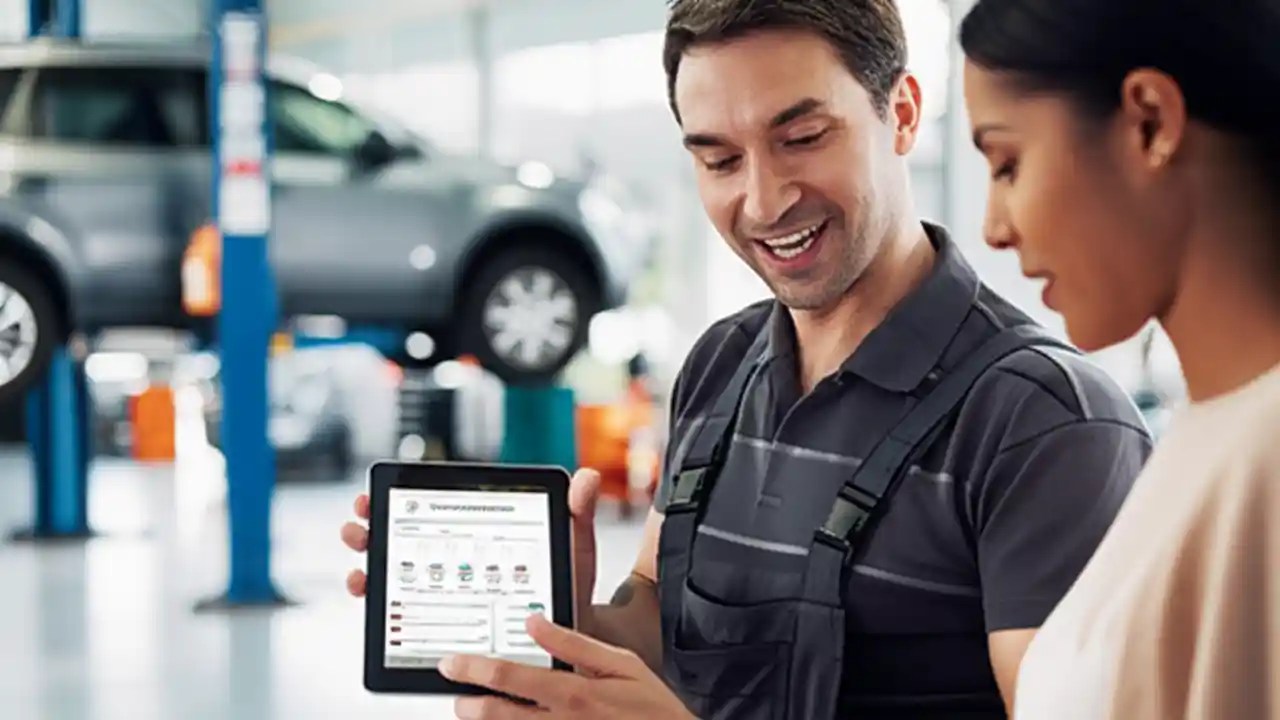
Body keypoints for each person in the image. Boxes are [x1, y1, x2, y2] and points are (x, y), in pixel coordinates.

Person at [342, 1, 1155, 717]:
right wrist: (559, 620)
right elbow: (666, 618)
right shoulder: (721, 366)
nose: (763, 202)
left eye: (801, 138)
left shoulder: (1046, 426)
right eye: (719, 160)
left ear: (902, 113)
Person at [959, 1, 1280, 718]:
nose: (994, 227)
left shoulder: (1265, 453)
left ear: (1149, 123)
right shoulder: (1208, 435)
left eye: (1008, 163)